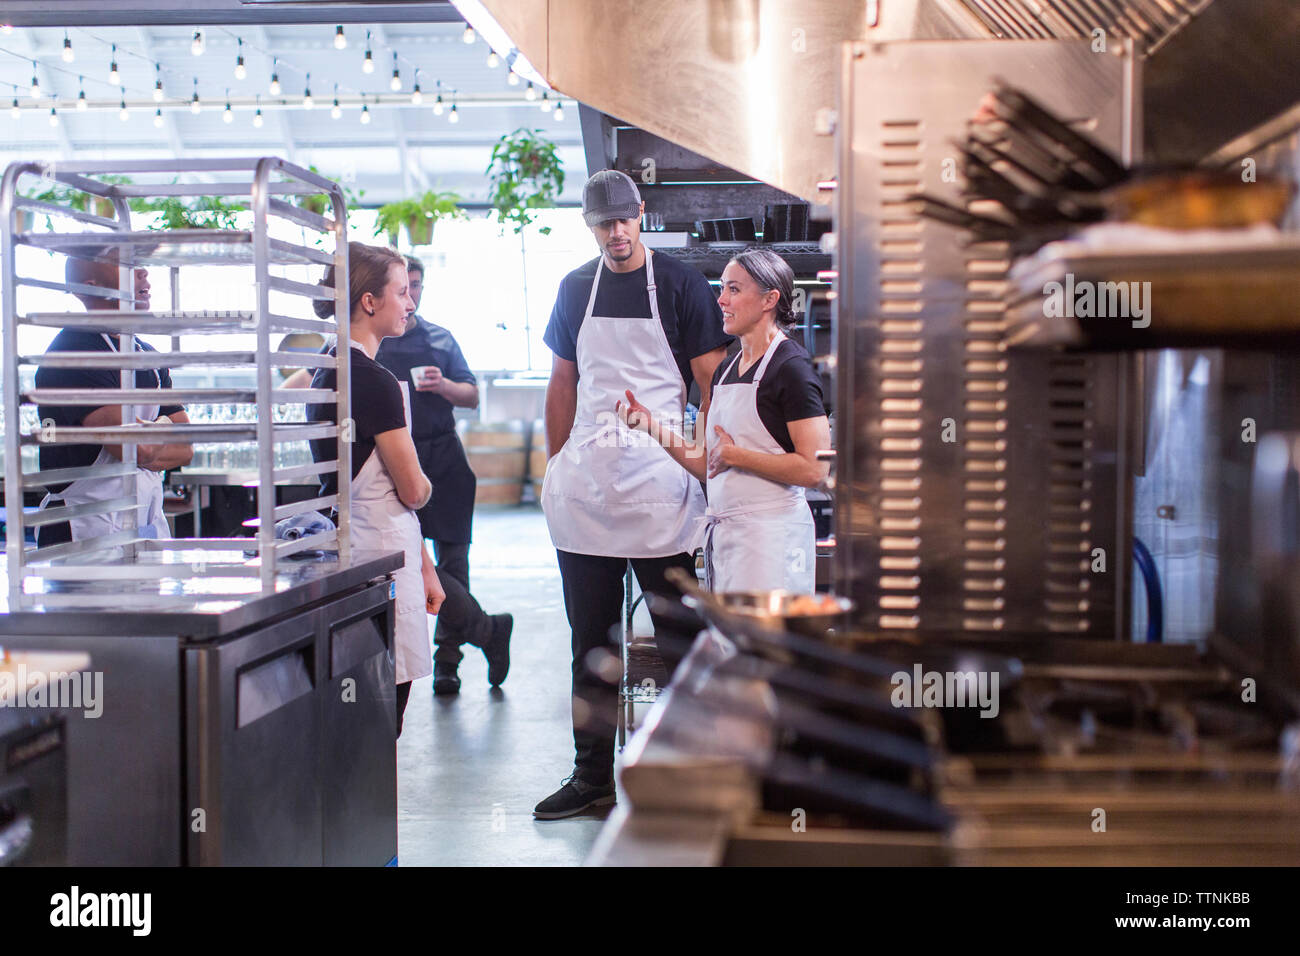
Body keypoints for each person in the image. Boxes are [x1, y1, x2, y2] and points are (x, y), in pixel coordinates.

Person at [534, 170, 731, 819]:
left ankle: (683, 775)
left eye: (624, 220)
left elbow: (710, 382)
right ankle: (593, 778)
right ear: (589, 225)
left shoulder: (679, 284)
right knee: (591, 640)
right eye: (603, 224)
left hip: (661, 485)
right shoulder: (572, 288)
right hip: (587, 492)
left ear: (641, 213)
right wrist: (556, 464)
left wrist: (705, 462)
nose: (616, 234)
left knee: (677, 637)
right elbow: (563, 381)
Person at [618, 249, 831, 593]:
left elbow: (815, 470)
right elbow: (708, 465)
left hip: (773, 540)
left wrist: (738, 456)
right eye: (723, 289)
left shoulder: (791, 369)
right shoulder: (725, 370)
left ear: (769, 299)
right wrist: (651, 426)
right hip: (730, 540)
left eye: (734, 289)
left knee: (769, 645)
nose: (721, 300)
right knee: (732, 643)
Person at [306, 242, 445, 736]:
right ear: (369, 301)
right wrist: (426, 481)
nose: (410, 304)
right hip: (381, 555)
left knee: (360, 717)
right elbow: (412, 491)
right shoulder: (373, 380)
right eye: (402, 292)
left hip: (363, 550)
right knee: (380, 722)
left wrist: (426, 565)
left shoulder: (328, 367)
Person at [375, 255, 512, 696]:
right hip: (394, 464)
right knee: (414, 564)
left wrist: (443, 387)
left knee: (453, 564)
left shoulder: (439, 337)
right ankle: (489, 631)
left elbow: (472, 395)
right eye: (403, 287)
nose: (410, 296)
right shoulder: (373, 339)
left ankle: (447, 661)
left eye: (416, 285)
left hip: (445, 462)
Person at [34, 253, 193, 548]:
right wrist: (162, 425)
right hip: (83, 530)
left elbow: (185, 451)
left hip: (145, 525)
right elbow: (132, 449)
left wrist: (146, 437)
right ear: (90, 287)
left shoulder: (148, 356)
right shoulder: (74, 353)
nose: (143, 272)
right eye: (128, 266)